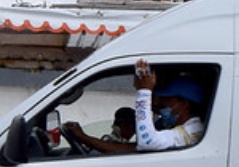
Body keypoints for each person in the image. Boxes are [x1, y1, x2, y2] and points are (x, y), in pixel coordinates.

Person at [65, 60, 205, 154]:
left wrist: (143, 92)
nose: (157, 104)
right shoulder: (167, 124)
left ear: (185, 103)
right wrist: (85, 138)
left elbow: (147, 143)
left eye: (164, 100)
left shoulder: (194, 129)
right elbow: (130, 148)